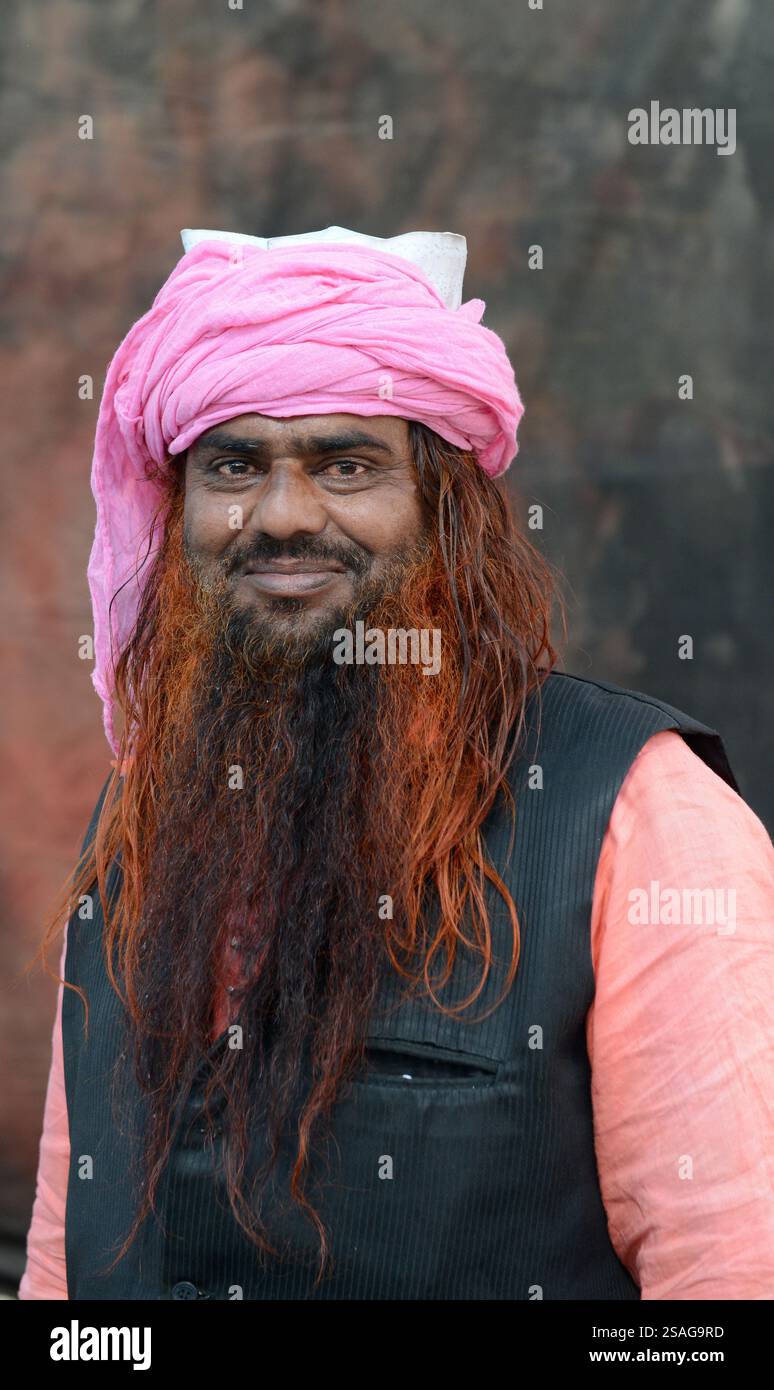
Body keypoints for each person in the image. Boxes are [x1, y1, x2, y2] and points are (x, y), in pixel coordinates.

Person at [19, 227, 774, 1301]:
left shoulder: (637, 813)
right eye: (234, 464)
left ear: (445, 509)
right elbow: (64, 1259)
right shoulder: (146, 807)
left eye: (346, 463)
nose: (282, 515)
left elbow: (729, 1276)